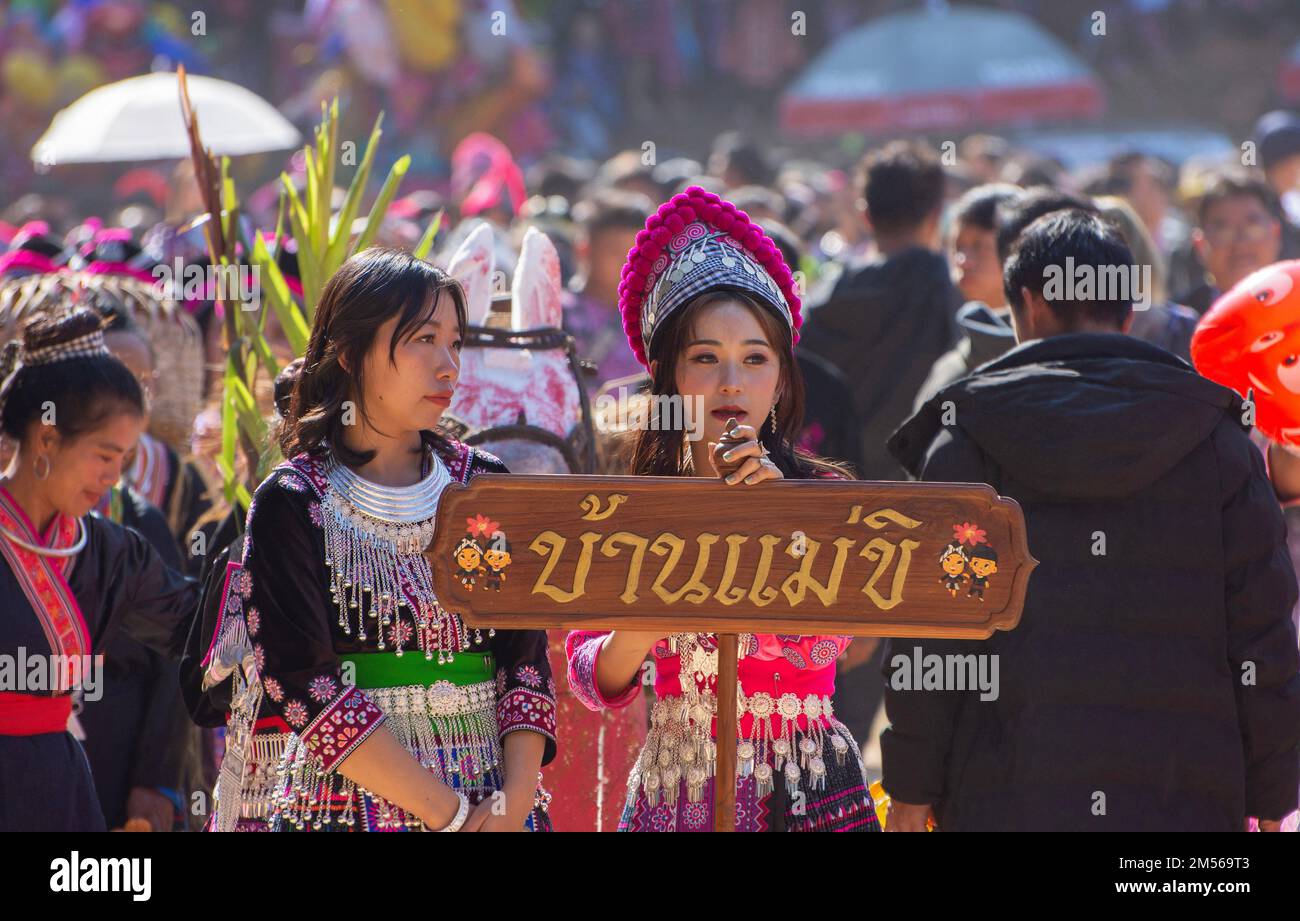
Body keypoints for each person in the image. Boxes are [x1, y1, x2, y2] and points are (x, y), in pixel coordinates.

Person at [883, 210, 1300, 831]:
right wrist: (1273, 795)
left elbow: (933, 641)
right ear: (1128, 313)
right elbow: (1262, 634)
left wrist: (911, 791)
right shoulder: (1218, 441)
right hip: (1186, 804)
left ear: (1027, 305)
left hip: (1007, 797)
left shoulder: (967, 441)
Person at [188, 248, 556, 831]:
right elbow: (304, 682)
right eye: (424, 339)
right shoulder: (294, 502)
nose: (448, 367)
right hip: (347, 804)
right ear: (350, 351)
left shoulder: (481, 488)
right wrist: (448, 813)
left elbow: (525, 661)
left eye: (455, 343)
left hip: (495, 802)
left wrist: (513, 799)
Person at [566, 186, 880, 832]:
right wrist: (648, 620)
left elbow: (836, 641)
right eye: (705, 358)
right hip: (679, 786)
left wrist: (775, 519)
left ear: (783, 378)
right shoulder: (629, 508)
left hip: (805, 785)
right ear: (670, 376)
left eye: (754, 359)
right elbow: (591, 675)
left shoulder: (823, 497)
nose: (731, 382)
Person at [0, 309, 197, 831]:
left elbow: (199, 626)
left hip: (62, 785)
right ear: (47, 439)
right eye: (104, 456)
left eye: (124, 460)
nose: (113, 478)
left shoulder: (110, 550)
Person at [798, 140, 961, 480]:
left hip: (833, 489)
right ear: (936, 216)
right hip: (925, 491)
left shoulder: (823, 300)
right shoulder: (950, 295)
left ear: (866, 216)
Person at [1177, 170, 1284, 313]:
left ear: (1275, 234)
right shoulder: (1180, 321)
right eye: (1224, 232)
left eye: (1252, 228)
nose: (1241, 244)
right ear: (1200, 245)